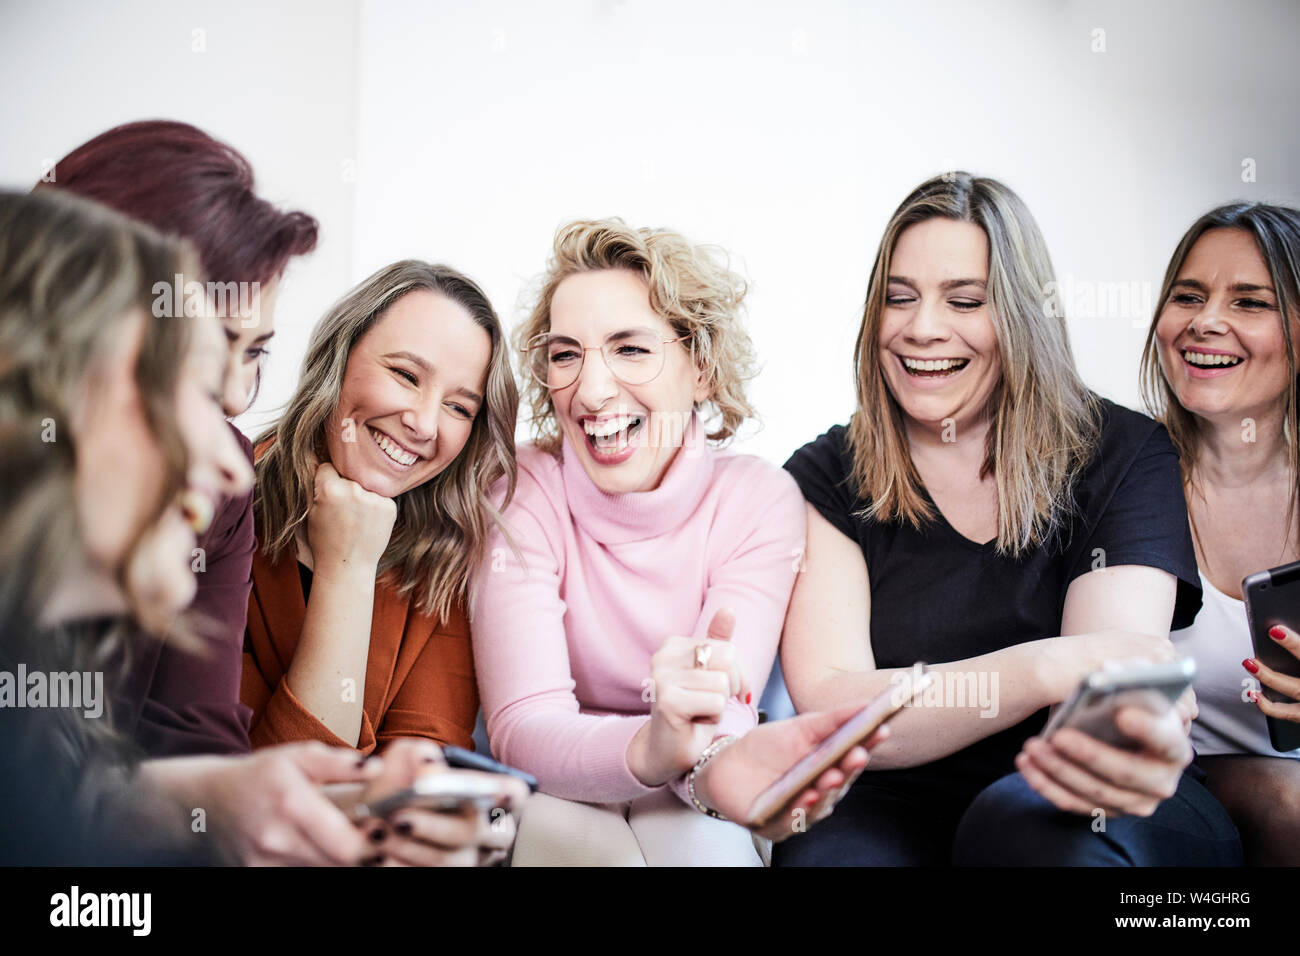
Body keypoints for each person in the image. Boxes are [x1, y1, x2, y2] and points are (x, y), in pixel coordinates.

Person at [776, 172, 1242, 865]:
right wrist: (1047, 664)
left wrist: (1050, 680)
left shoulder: (1124, 453)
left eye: (964, 300)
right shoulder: (827, 474)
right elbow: (835, 710)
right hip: (893, 796)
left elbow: (1102, 707)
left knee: (1029, 834)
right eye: (898, 298)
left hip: (1095, 793)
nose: (922, 328)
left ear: (1023, 317)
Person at [470, 218, 884, 866]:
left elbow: (717, 731)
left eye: (631, 349)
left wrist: (700, 753)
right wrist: (650, 747)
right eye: (566, 353)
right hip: (553, 783)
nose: (592, 388)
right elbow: (522, 729)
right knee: (570, 837)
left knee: (698, 845)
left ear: (699, 368)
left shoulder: (757, 499)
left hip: (695, 787)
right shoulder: (523, 491)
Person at [40, 119, 318, 757]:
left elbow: (193, 739)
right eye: (199, 355)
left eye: (255, 353)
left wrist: (240, 804)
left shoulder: (215, 495)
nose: (230, 401)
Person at [241, 259, 527, 864]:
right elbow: (280, 795)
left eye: (459, 407)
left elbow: (423, 785)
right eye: (404, 375)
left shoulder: (445, 555)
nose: (424, 424)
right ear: (338, 360)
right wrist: (346, 567)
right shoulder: (222, 510)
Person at [1140, 201, 1300, 864]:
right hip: (1179, 795)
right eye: (1189, 296)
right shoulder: (1119, 479)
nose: (1207, 321)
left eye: (1250, 302)